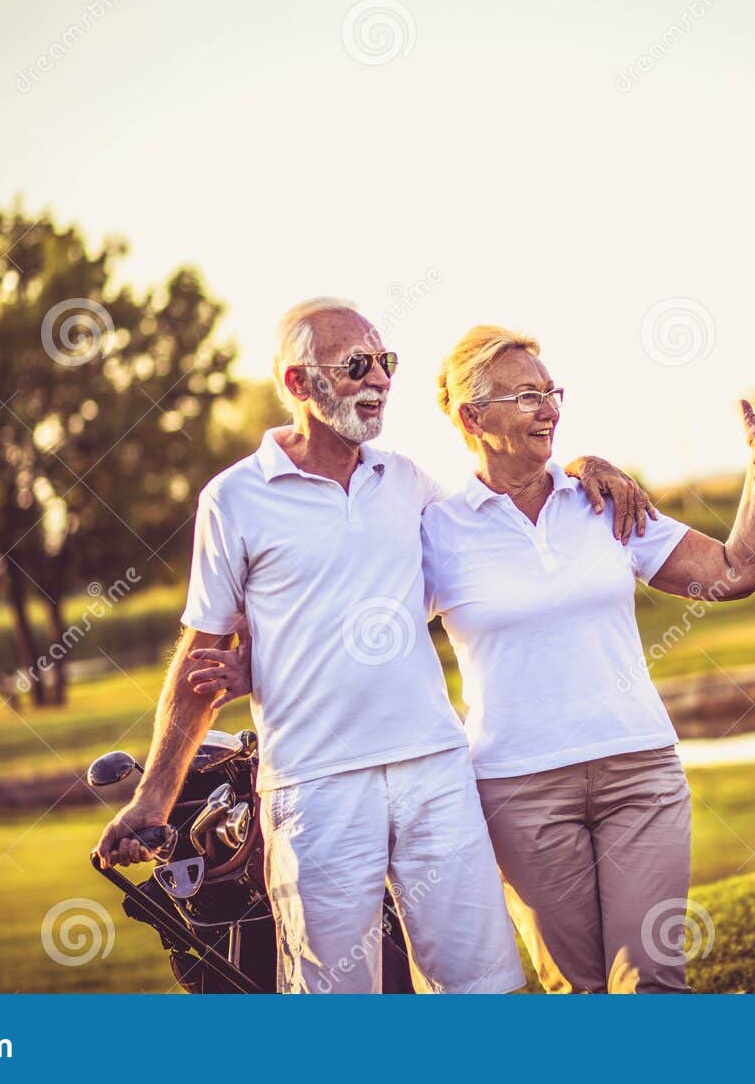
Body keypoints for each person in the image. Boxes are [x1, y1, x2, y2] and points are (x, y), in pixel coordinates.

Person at [93, 297, 651, 994]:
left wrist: (584, 465)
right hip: (316, 786)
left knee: (483, 990)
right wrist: (152, 800)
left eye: (386, 362)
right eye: (356, 364)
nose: (379, 379)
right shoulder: (233, 499)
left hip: (436, 772)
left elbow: (502, 510)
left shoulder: (409, 481)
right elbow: (198, 666)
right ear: (299, 383)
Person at [423, 327, 755, 992]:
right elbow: (366, 619)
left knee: (650, 983)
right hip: (518, 786)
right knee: (579, 993)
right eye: (528, 395)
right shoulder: (437, 529)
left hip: (639, 773)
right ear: (473, 417)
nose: (550, 408)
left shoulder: (603, 500)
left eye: (552, 391)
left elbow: (737, 570)